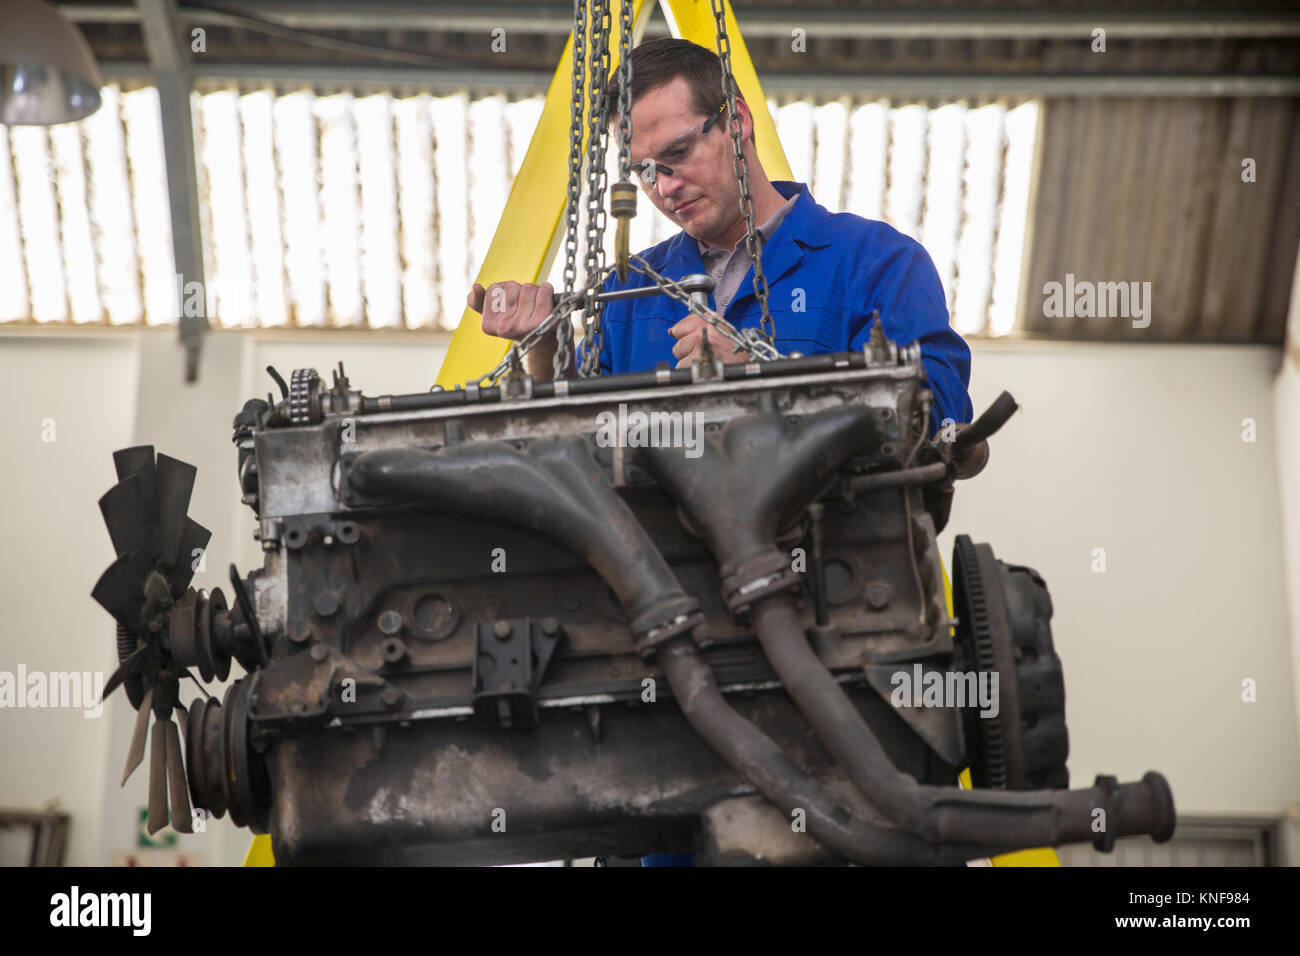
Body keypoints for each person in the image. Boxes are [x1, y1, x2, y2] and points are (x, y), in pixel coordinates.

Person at [468, 38, 973, 437]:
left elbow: (940, 421)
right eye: (643, 171)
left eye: (679, 152)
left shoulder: (877, 263)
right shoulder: (625, 291)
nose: (664, 187)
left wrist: (765, 378)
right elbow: (573, 447)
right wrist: (546, 345)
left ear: (737, 121)